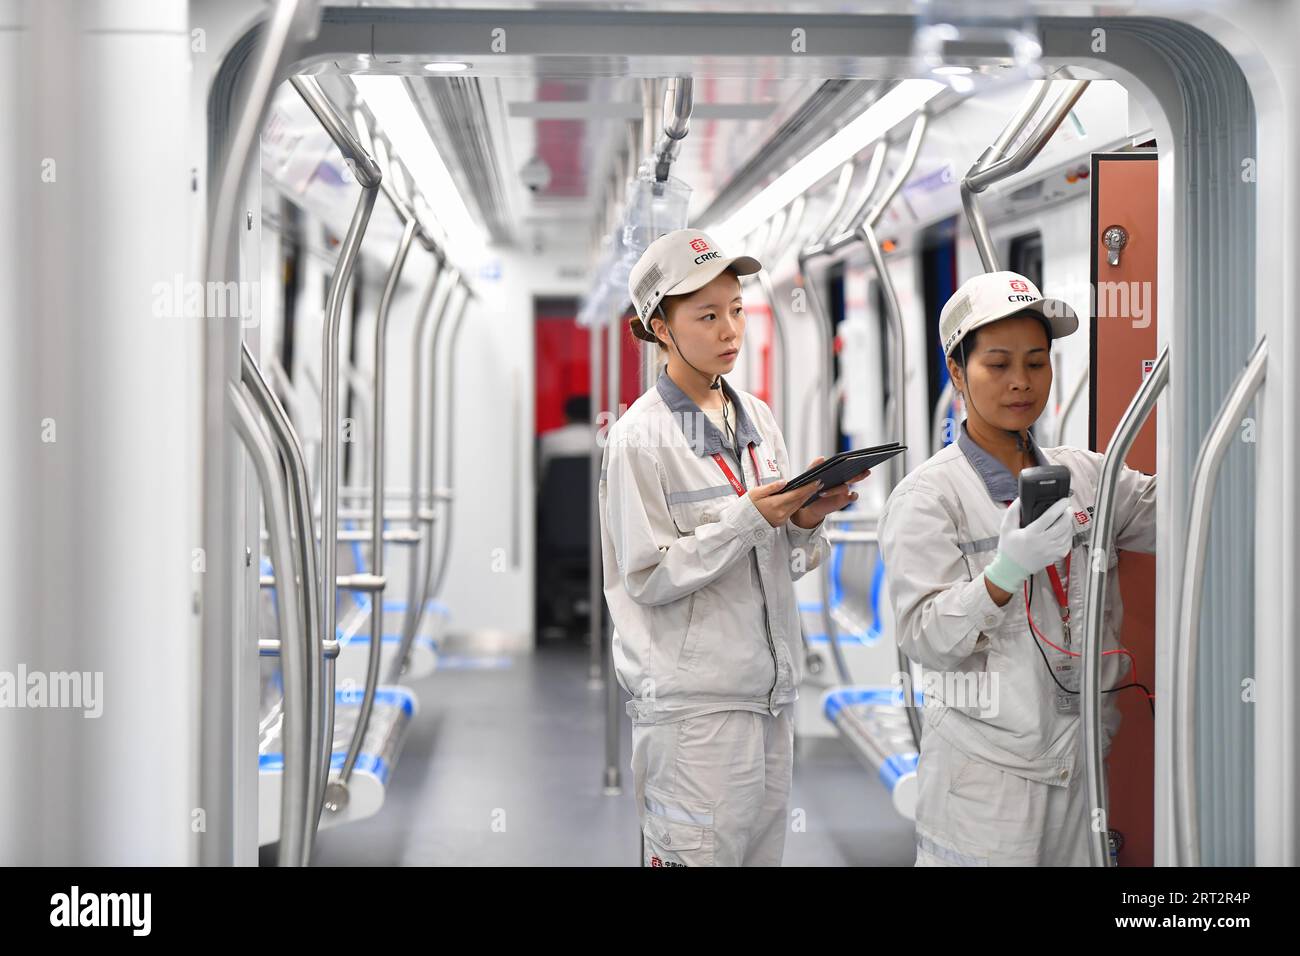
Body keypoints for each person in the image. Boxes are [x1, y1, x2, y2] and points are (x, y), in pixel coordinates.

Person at [598, 228, 870, 866]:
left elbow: (784, 562)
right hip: (694, 713)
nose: (730, 330)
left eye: (737, 310)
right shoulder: (640, 439)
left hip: (770, 696)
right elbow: (648, 579)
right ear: (661, 327)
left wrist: (803, 521)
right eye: (708, 316)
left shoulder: (757, 420)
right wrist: (748, 519)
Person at [878, 270, 1157, 866]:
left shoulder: (1085, 475)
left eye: (1036, 362)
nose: (1021, 383)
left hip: (1082, 769)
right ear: (957, 373)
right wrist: (1003, 574)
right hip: (987, 788)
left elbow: (1181, 510)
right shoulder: (930, 497)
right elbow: (925, 636)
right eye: (997, 365)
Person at [537, 394, 595, 479]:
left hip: (557, 491)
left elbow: (541, 473)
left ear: (565, 417)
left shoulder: (548, 440)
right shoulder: (603, 440)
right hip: (595, 491)